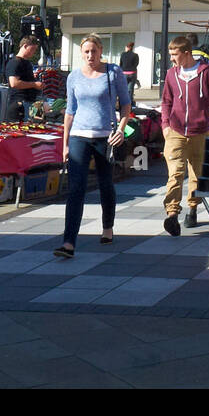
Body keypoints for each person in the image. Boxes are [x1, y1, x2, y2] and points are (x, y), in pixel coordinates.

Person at [55, 35, 131, 258]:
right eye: (86, 52)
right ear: (81, 53)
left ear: (101, 51)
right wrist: (65, 143)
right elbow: (70, 111)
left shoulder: (113, 72)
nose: (90, 56)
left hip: (105, 136)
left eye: (94, 51)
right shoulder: (73, 77)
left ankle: (107, 227)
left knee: (105, 184)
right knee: (76, 188)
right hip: (79, 133)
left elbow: (126, 104)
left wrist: (120, 129)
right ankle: (68, 242)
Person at [160, 35, 209, 234]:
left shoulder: (206, 73)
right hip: (175, 132)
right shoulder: (172, 74)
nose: (171, 58)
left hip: (200, 132)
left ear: (187, 53)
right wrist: (165, 124)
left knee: (197, 175)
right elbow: (166, 102)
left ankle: (193, 207)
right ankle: (172, 214)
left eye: (175, 54)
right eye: (170, 54)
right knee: (175, 174)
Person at [7, 37, 43, 120]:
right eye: (33, 49)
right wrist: (34, 84)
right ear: (25, 46)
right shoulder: (15, 62)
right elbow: (14, 83)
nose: (34, 52)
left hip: (30, 103)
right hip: (20, 104)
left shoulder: (27, 63)